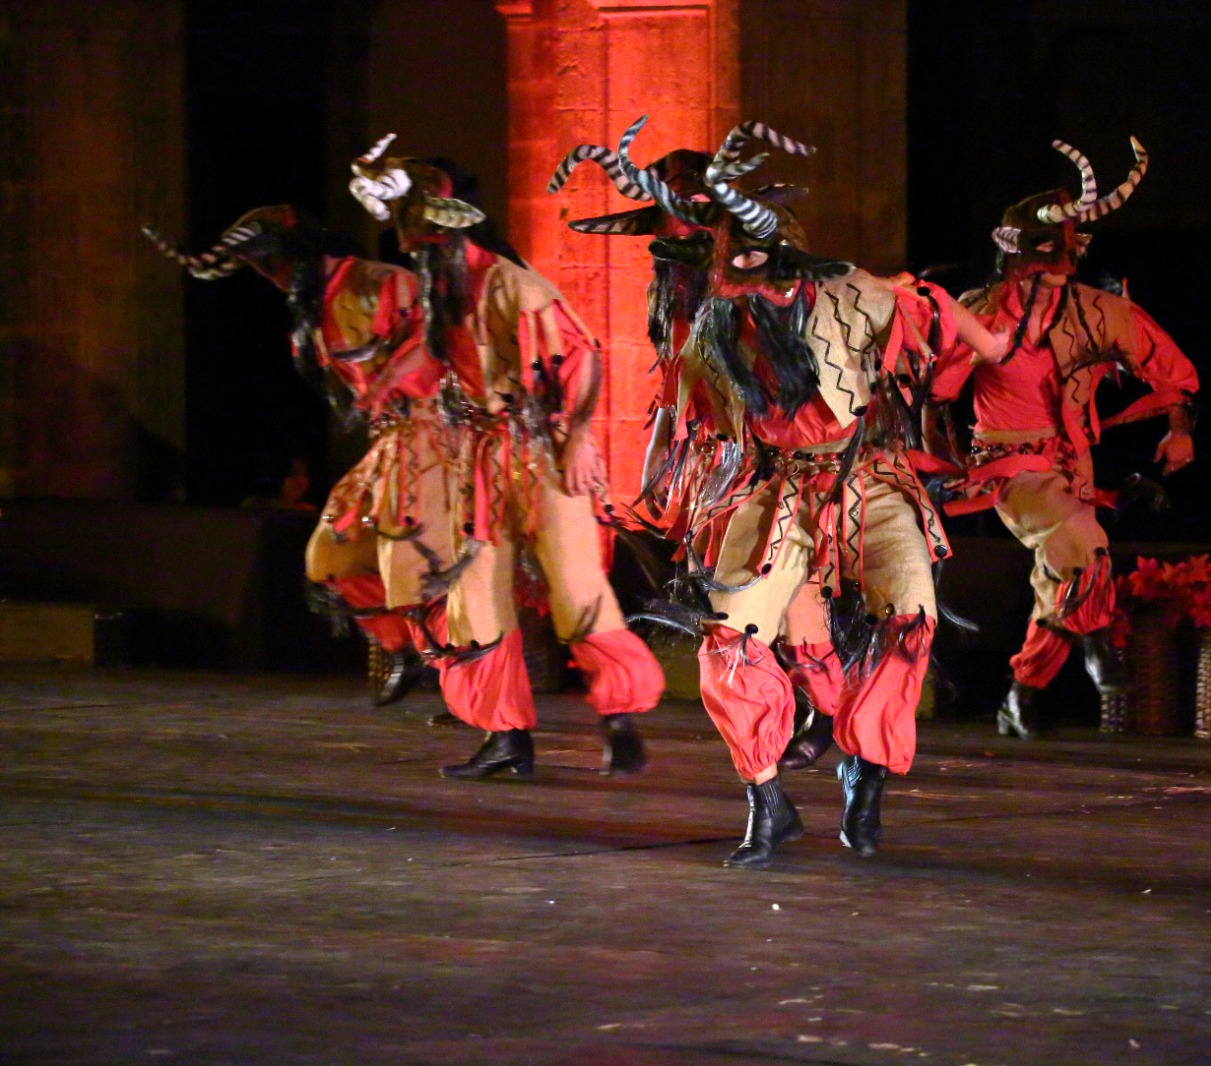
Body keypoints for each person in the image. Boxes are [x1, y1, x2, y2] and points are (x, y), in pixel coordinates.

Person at [597, 118, 1004, 866]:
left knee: (908, 618)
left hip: (874, 481)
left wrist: (978, 343)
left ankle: (866, 771)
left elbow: (975, 343)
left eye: (773, 269)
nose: (766, 287)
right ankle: (767, 798)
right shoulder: (713, 330)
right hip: (781, 491)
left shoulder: (857, 294)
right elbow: (686, 423)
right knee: (728, 637)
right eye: (744, 270)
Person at [347, 135, 664, 777]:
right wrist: (379, 389)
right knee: (472, 592)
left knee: (575, 582)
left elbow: (580, 357)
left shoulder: (513, 285)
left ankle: (619, 715)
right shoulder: (445, 298)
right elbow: (428, 359)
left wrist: (575, 437)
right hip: (481, 454)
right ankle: (504, 736)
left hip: (541, 451)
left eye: (426, 242)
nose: (417, 253)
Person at [548, 130, 845, 771]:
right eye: (671, 213)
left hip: (770, 450)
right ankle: (794, 707)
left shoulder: (754, 272)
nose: (684, 224)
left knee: (789, 578)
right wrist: (660, 448)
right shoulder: (673, 287)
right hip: (708, 454)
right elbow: (677, 373)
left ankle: (820, 707)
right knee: (727, 586)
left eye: (694, 208)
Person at [929, 137, 1199, 738]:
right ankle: (1099, 646)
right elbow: (937, 390)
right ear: (1016, 255)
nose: (1056, 268)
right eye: (1043, 255)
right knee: (1084, 545)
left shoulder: (1098, 311)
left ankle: (1020, 694)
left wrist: (1178, 431)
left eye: (1067, 254)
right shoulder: (980, 310)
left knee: (1062, 576)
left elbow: (1169, 369)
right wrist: (947, 461)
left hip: (1071, 460)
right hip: (1007, 462)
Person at [143, 206, 440, 706]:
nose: (267, 276)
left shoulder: (383, 283)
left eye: (272, 262)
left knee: (429, 562)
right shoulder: (314, 307)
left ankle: (479, 690)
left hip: (440, 438)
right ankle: (410, 650)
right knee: (331, 558)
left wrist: (387, 384)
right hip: (393, 445)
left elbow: (438, 342)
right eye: (258, 267)